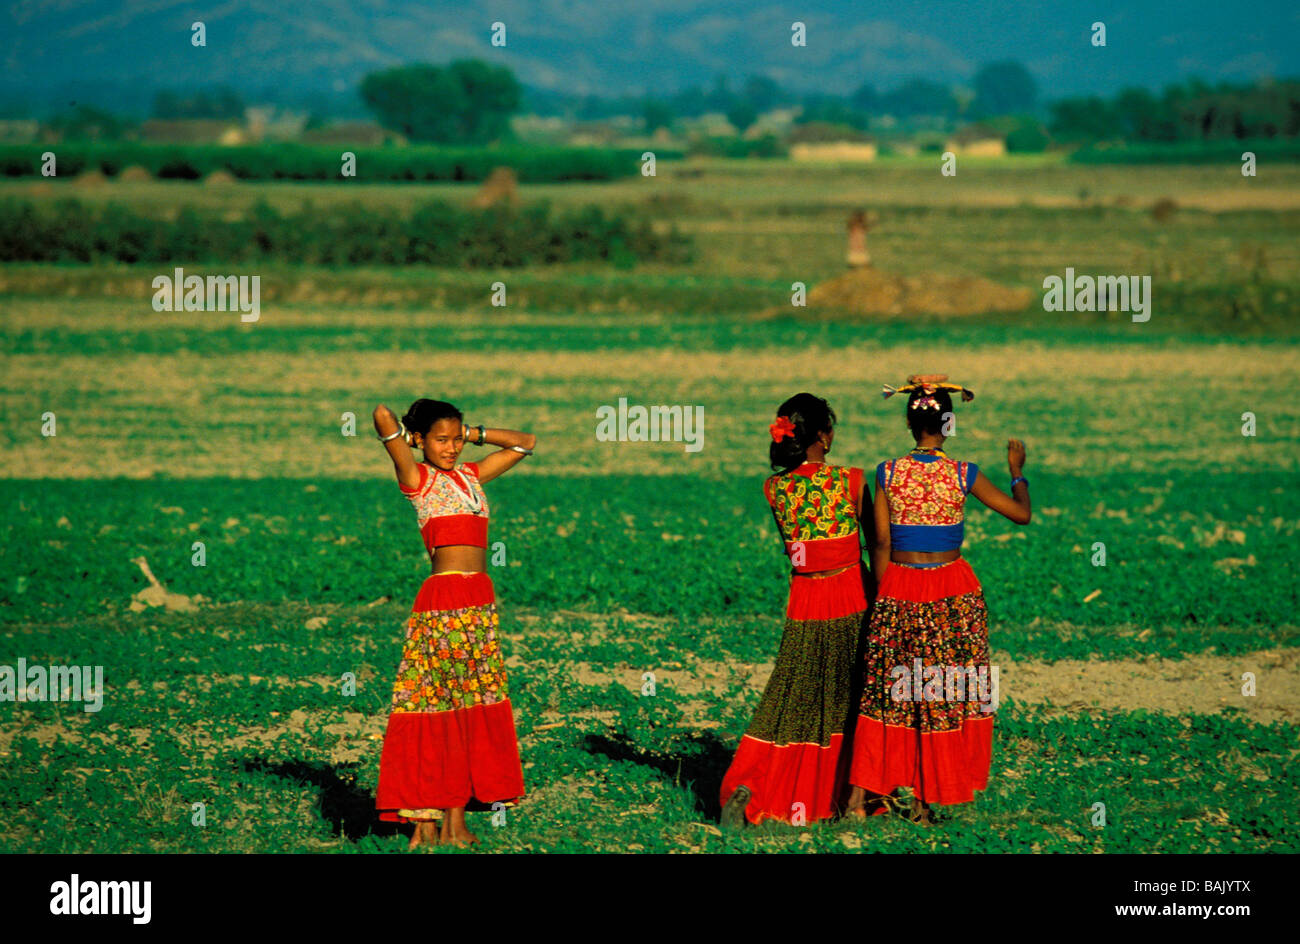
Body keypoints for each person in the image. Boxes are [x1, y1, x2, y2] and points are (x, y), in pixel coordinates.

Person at [847, 374, 1030, 824]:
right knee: (943, 691)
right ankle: (928, 801)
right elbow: (1021, 515)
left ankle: (858, 801)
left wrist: (886, 595)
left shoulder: (887, 471)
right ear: (948, 425)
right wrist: (1017, 472)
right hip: (952, 588)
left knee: (888, 692)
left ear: (911, 424)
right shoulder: (963, 472)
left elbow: (883, 543)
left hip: (902, 585)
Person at [371, 398, 536, 848]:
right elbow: (383, 414)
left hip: (479, 600)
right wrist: (410, 439)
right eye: (441, 440)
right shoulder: (417, 479)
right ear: (421, 439)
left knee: (470, 705)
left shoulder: (472, 475)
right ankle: (433, 816)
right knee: (437, 705)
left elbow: (526, 443)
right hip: (442, 603)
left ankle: (454, 817)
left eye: (457, 438)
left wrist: (475, 434)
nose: (452, 447)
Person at [719, 393, 874, 828]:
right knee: (852, 695)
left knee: (791, 698)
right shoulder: (851, 481)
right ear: (824, 437)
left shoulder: (775, 488)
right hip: (851, 595)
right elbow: (876, 542)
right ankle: (847, 796)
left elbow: (799, 550)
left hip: (805, 601)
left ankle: (752, 785)